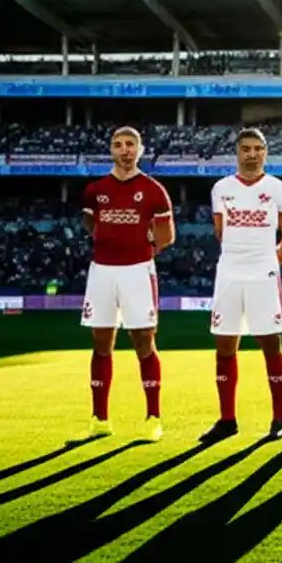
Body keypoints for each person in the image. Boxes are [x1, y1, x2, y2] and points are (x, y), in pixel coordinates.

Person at [199, 128, 282, 443]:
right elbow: (221, 230)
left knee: (271, 344)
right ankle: (227, 420)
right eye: (246, 149)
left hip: (263, 274)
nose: (252, 154)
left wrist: (277, 257)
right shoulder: (221, 188)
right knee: (225, 346)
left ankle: (278, 419)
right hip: (229, 272)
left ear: (265, 153)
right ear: (237, 152)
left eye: (258, 149)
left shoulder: (278, 189)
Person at [76, 125, 174, 442]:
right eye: (118, 144)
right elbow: (91, 223)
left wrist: (146, 246)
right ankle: (99, 419)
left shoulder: (154, 190)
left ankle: (153, 418)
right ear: (111, 150)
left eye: (130, 144)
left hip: (138, 270)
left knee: (143, 341)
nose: (125, 150)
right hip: (102, 271)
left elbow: (167, 236)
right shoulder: (95, 189)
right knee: (101, 343)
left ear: (140, 150)